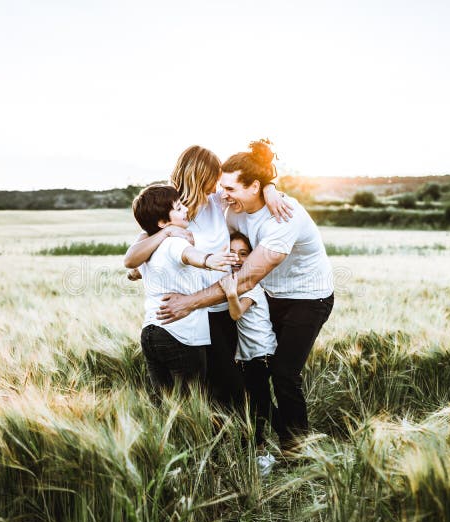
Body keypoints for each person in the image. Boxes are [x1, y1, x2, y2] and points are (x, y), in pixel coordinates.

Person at [157, 140, 334, 453]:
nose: (221, 194)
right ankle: (264, 441)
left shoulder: (284, 217)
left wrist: (189, 302)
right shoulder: (234, 208)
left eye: (230, 189)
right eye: (221, 187)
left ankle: (298, 448)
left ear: (254, 187)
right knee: (256, 370)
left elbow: (247, 277)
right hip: (272, 296)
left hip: (309, 299)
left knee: (284, 373)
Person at [124, 145, 292, 410]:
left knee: (233, 385)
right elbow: (131, 259)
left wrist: (270, 187)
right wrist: (165, 235)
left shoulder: (216, 202)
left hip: (224, 304)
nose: (220, 184)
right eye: (215, 177)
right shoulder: (171, 210)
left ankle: (238, 443)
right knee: (211, 389)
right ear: (202, 177)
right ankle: (213, 442)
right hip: (194, 315)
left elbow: (248, 185)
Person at [131, 184, 237, 398]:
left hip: (151, 331)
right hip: (181, 334)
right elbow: (189, 255)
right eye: (178, 208)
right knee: (191, 403)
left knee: (163, 403)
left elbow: (135, 269)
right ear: (163, 223)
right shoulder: (173, 242)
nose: (185, 210)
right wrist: (209, 260)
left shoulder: (149, 248)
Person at [219, 231, 277, 474]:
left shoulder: (251, 285)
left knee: (258, 406)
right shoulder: (236, 280)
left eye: (244, 253)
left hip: (261, 354)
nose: (238, 258)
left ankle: (263, 453)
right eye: (232, 253)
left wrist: (231, 294)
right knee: (253, 404)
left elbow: (236, 314)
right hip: (247, 356)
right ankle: (263, 447)